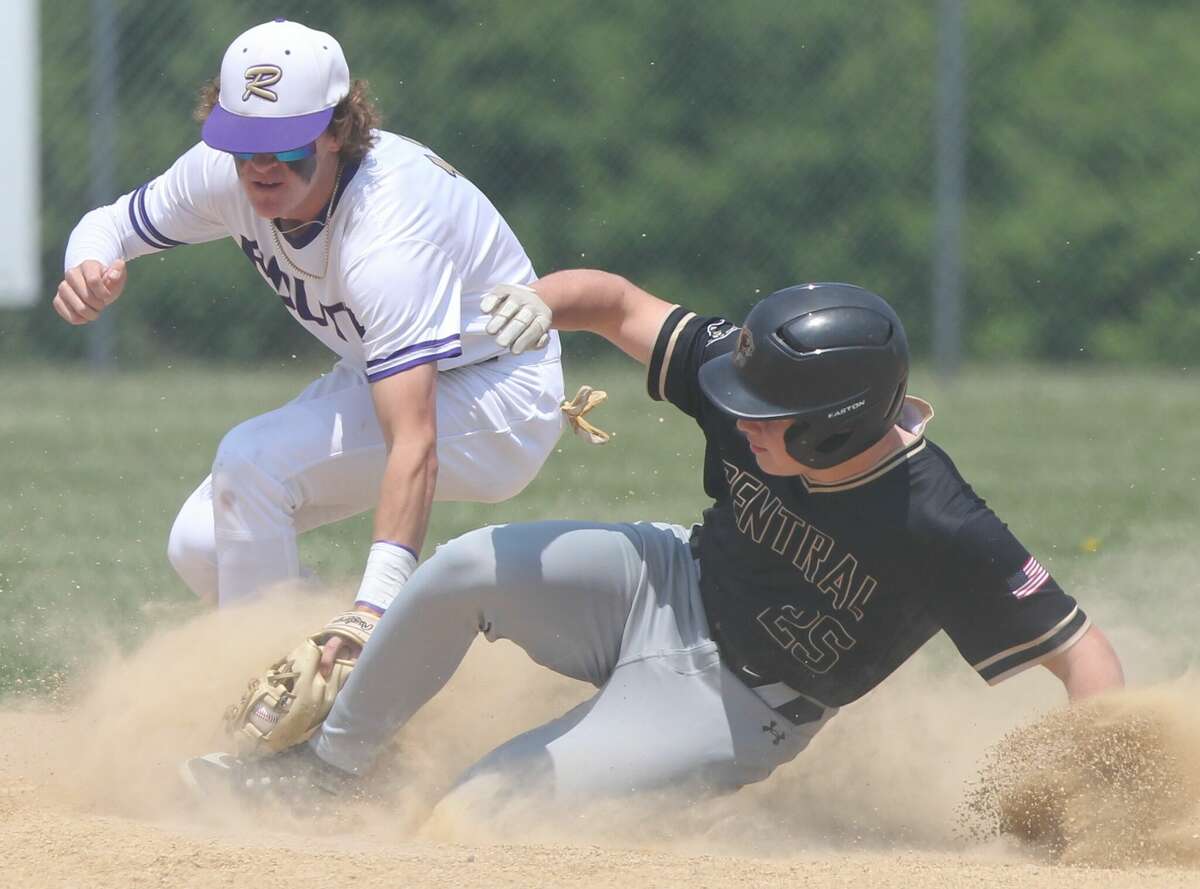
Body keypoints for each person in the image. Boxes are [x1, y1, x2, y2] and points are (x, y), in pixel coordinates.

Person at [181, 271, 1125, 809]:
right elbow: (615, 303)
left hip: (742, 703)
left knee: (483, 812)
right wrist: (538, 302)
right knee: (466, 566)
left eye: (766, 413)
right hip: (667, 578)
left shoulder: (938, 521)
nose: (739, 415)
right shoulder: (755, 384)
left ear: (836, 424)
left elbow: (1084, 657)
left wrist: (1097, 802)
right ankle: (327, 777)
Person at [53, 20, 567, 663]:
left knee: (253, 462)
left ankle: (278, 699)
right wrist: (87, 267)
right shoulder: (223, 176)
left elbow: (415, 442)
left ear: (335, 131)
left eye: (283, 144)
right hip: (388, 367)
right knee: (202, 542)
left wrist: (373, 607)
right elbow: (108, 225)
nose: (261, 166)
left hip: (501, 389)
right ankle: (350, 675)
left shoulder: (389, 231)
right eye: (245, 143)